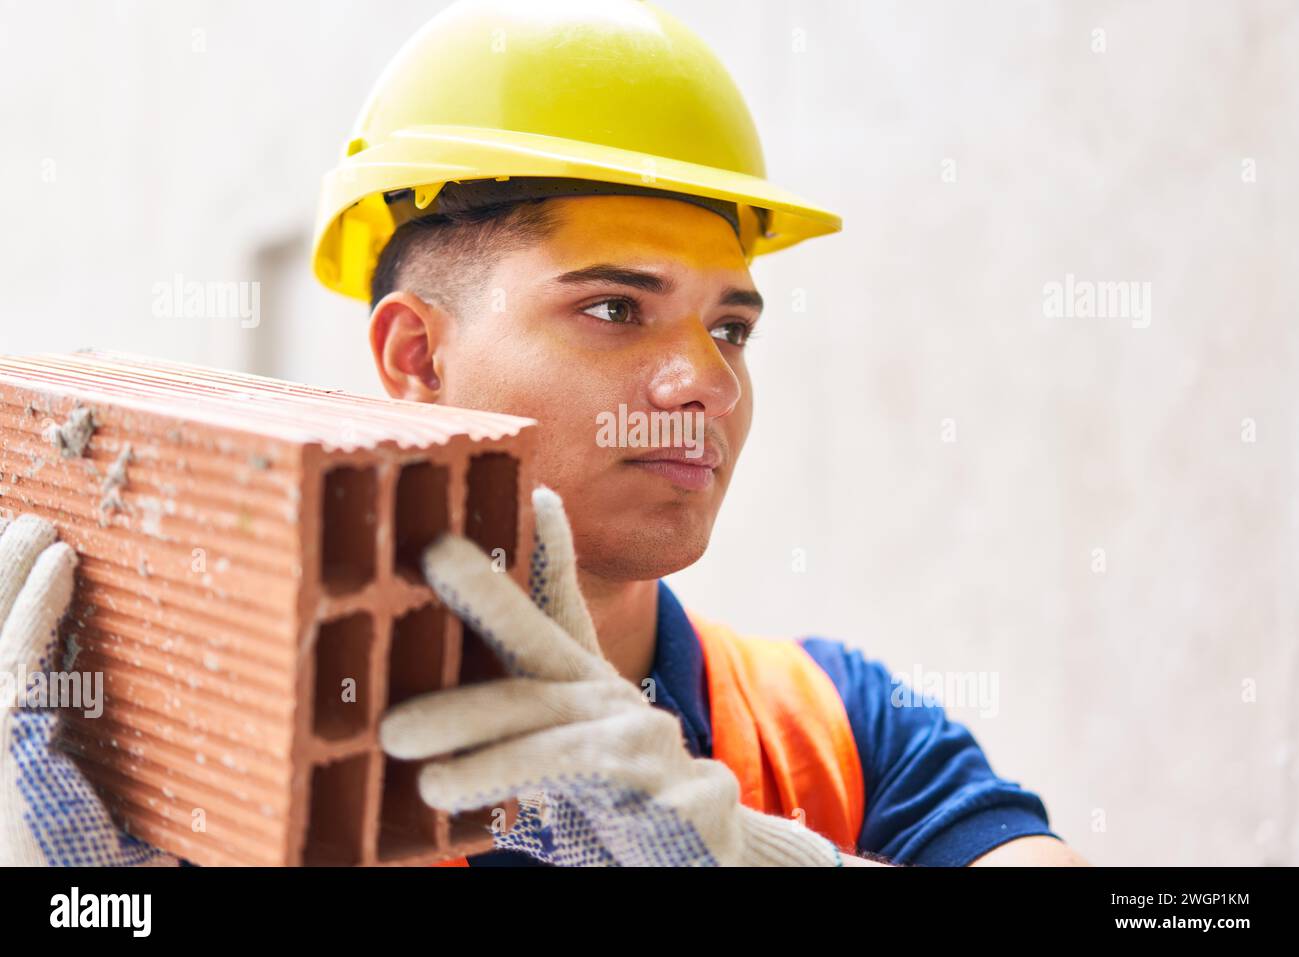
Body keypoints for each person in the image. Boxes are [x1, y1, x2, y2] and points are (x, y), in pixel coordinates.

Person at [0, 0, 1088, 867]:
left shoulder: (841, 723)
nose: (703, 379)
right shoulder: (263, 777)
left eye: (730, 326)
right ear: (415, 358)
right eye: (615, 308)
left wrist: (755, 861)